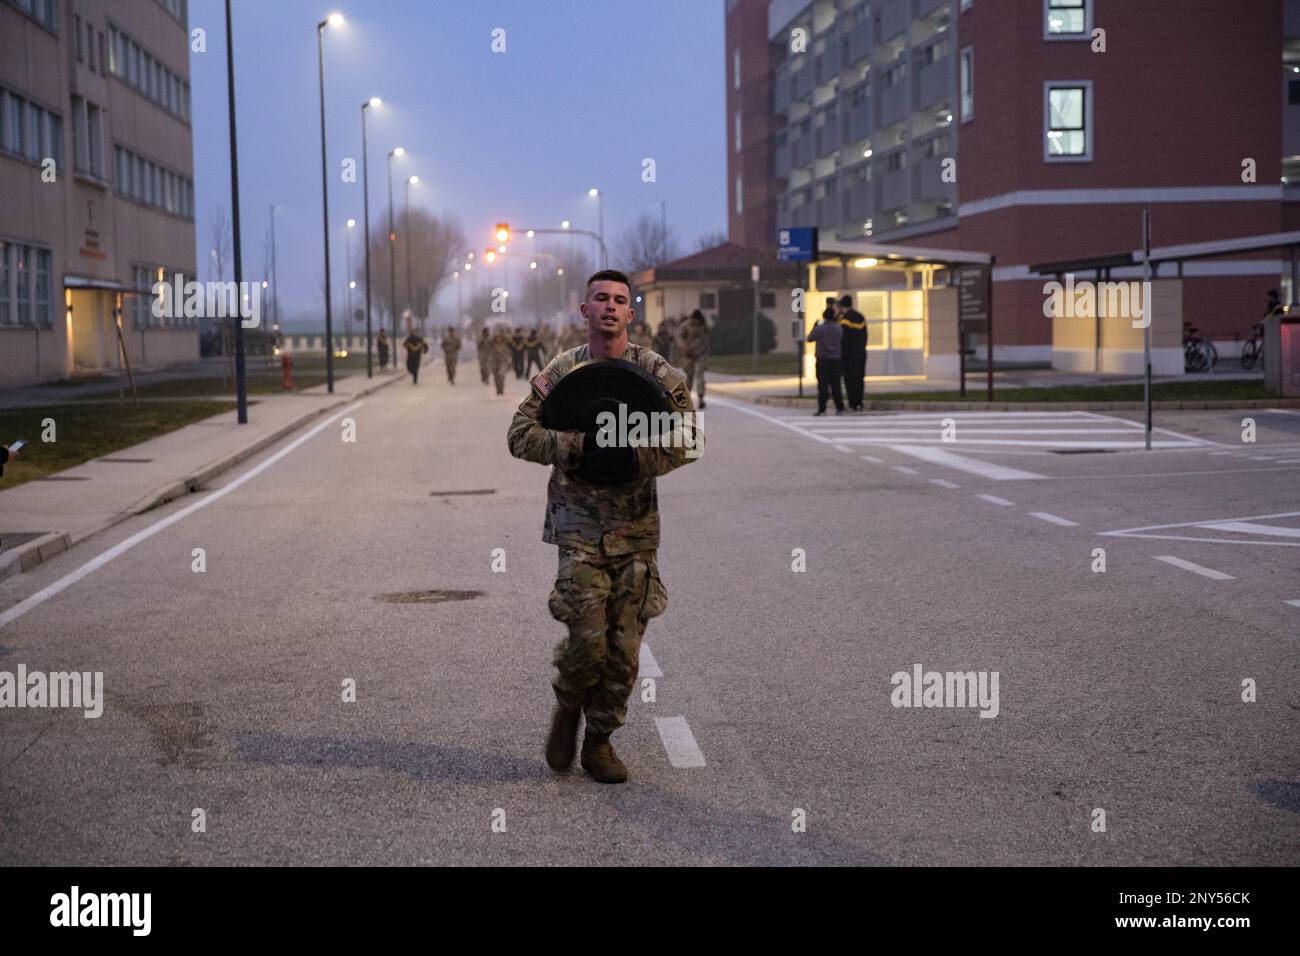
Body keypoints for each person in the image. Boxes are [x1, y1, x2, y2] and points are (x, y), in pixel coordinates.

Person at [508, 269, 703, 784]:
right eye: (601, 299)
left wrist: (634, 454)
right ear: (585, 310)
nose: (611, 307)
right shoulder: (564, 373)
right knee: (586, 641)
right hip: (577, 528)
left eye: (620, 300)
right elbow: (520, 435)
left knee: (624, 650)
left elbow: (690, 437)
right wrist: (575, 445)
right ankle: (569, 704)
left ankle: (599, 742)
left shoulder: (655, 373)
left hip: (636, 531)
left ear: (630, 313)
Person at [807, 302, 845, 416]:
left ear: (824, 317)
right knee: (836, 385)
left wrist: (815, 326)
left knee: (822, 385)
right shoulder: (838, 328)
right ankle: (839, 408)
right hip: (836, 360)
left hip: (822, 360)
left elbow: (809, 338)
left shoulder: (819, 329)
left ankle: (822, 409)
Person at [836, 294, 867, 411]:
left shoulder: (843, 320)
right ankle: (859, 402)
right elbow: (865, 337)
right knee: (859, 378)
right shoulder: (860, 317)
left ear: (843, 305)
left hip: (848, 355)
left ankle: (852, 403)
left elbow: (843, 339)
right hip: (861, 353)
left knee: (849, 379)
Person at [676, 309, 710, 409]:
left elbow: (709, 330)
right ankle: (687, 398)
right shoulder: (686, 325)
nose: (697, 323)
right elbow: (679, 337)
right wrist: (683, 346)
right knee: (689, 377)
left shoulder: (703, 325)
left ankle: (701, 398)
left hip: (701, 353)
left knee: (700, 375)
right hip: (689, 354)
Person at [489, 325, 513, 395]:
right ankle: (498, 389)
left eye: (500, 337)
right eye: (497, 337)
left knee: (501, 376)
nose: (498, 339)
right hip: (495, 363)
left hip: (503, 362)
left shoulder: (505, 343)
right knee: (496, 377)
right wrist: (495, 334)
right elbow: (489, 340)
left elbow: (510, 340)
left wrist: (503, 333)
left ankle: (502, 389)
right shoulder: (492, 344)